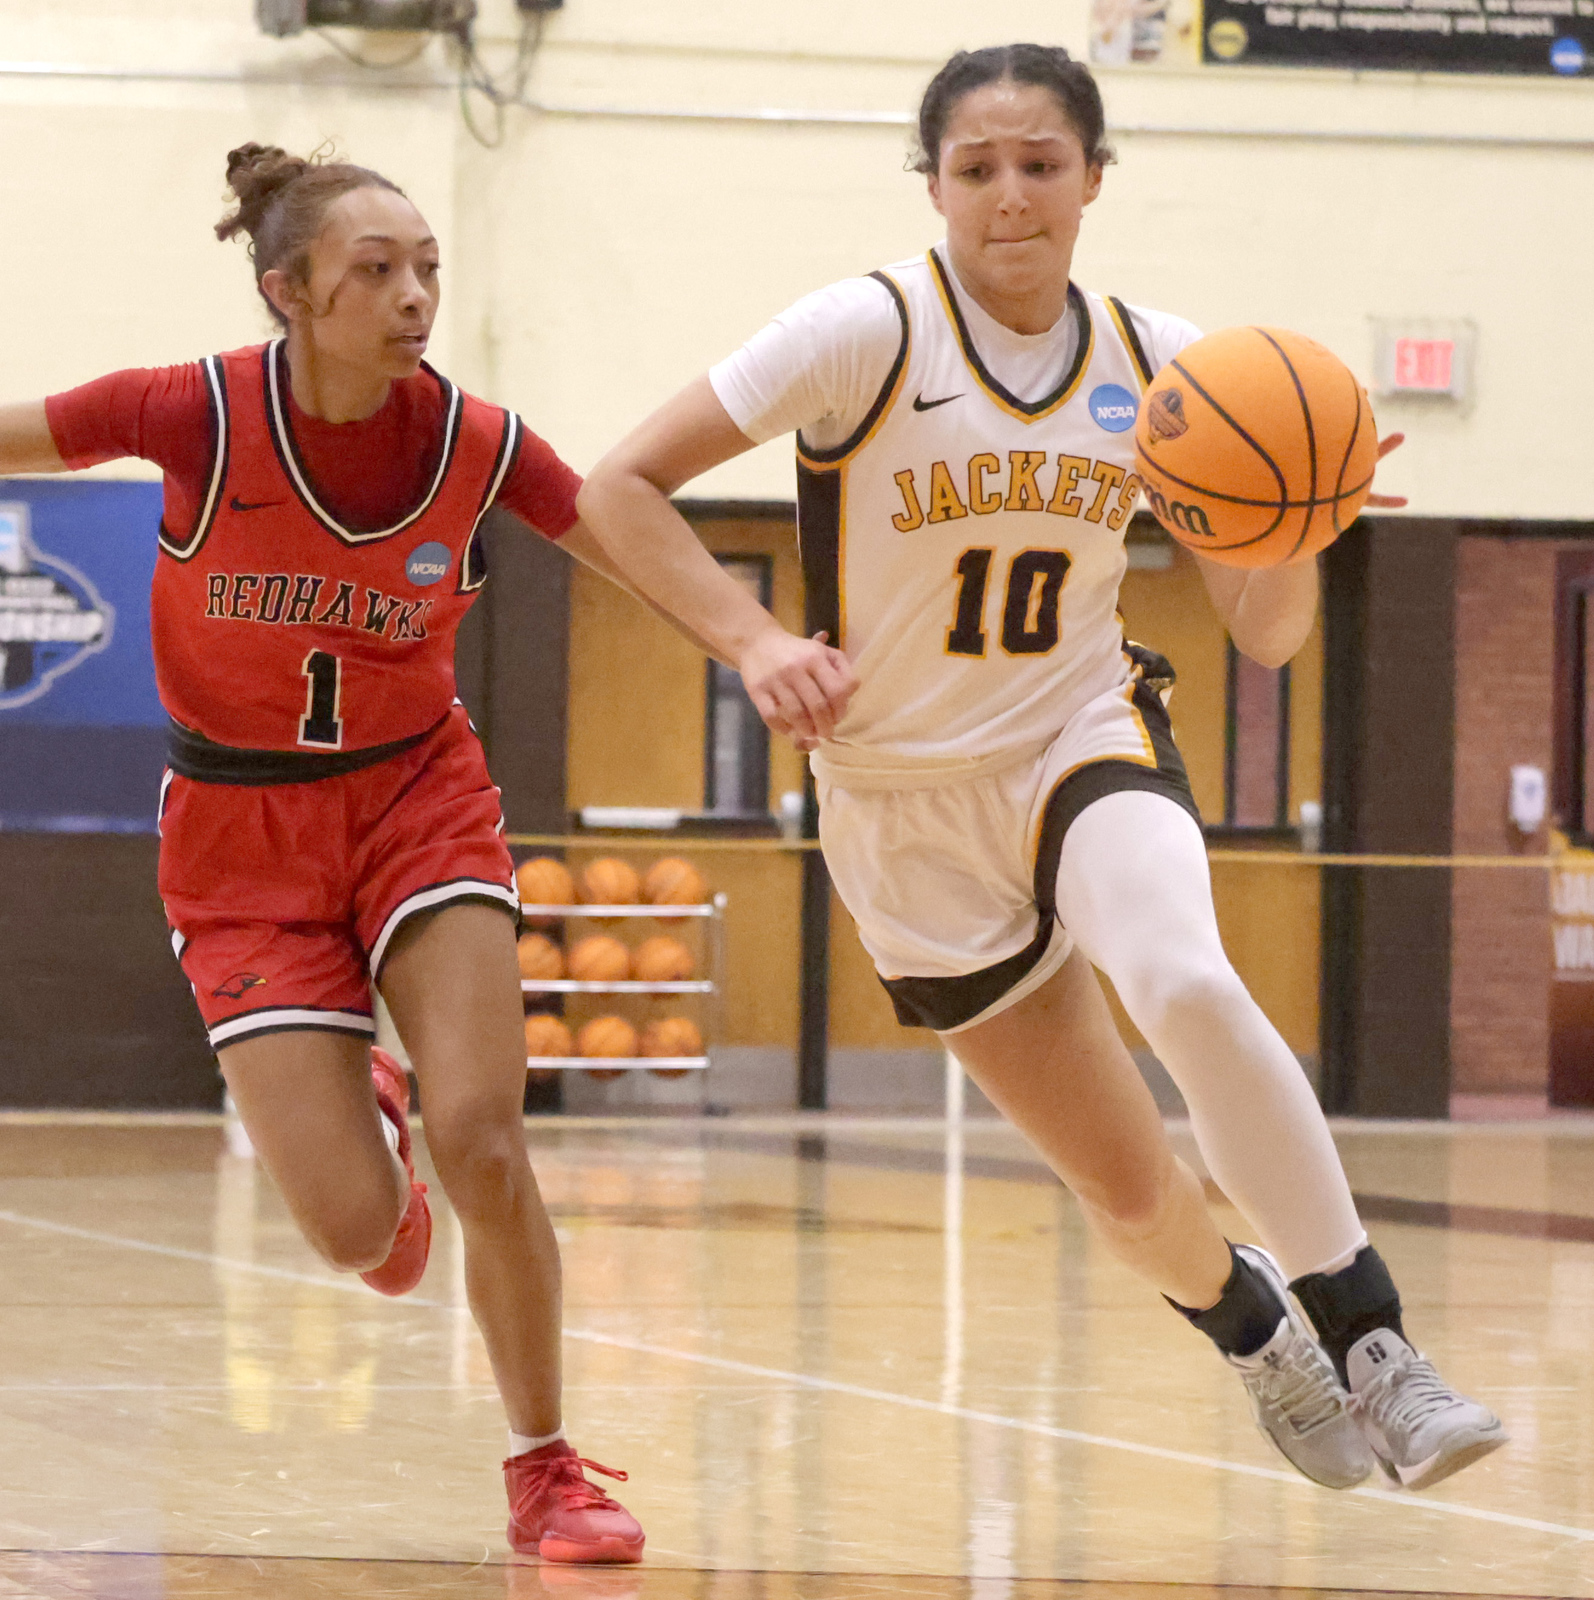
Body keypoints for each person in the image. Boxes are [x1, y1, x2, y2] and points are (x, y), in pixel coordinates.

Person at [574, 44, 1505, 1492]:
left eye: (1041, 164)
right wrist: (752, 641)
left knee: (1184, 977)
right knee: (1127, 1187)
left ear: (1091, 178)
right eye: (976, 168)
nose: (1009, 196)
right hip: (896, 802)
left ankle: (1374, 1339)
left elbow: (1264, 636)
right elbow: (612, 486)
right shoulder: (861, 331)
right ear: (934, 182)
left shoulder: (1170, 366)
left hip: (1078, 735)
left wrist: (1295, 524)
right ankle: (1254, 1329)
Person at [0, 144, 646, 1562]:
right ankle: (369, 1101)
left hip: (416, 794)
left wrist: (767, 645)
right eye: (377, 269)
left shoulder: (473, 440)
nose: (415, 293)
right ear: (287, 290)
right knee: (368, 1242)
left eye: (425, 266)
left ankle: (547, 1469)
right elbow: (18, 429)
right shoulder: (192, 410)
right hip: (239, 840)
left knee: (486, 1130)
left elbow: (624, 533)